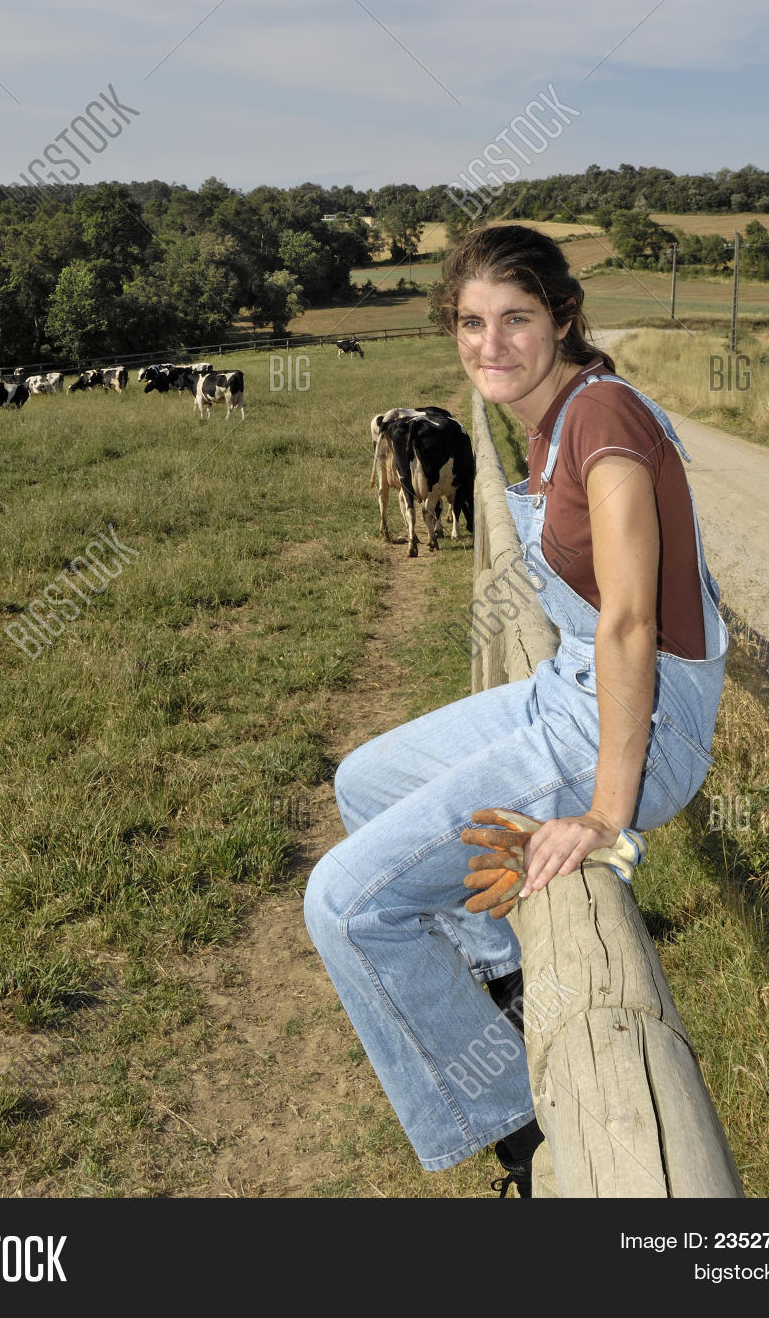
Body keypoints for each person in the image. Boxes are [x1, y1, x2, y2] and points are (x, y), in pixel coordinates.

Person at [303, 224, 728, 1196]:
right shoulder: (553, 413)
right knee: (361, 780)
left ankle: (522, 1138)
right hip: (569, 683)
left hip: (634, 718)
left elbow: (627, 621)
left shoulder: (604, 419)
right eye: (470, 323)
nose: (490, 344)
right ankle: (507, 974)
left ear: (564, 318)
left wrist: (607, 816)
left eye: (516, 320)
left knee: (345, 904)